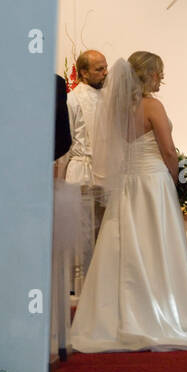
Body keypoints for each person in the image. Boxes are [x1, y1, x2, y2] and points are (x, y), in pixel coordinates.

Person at [69, 51, 187, 353]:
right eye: (159, 72)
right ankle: (161, 316)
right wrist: (180, 182)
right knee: (158, 248)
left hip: (127, 185)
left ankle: (119, 318)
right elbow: (169, 152)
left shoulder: (116, 109)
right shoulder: (152, 106)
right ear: (148, 75)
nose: (162, 78)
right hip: (153, 185)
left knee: (125, 250)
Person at [62, 50, 108, 278]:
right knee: (82, 232)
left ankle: (99, 282)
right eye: (99, 69)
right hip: (81, 169)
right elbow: (66, 139)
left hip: (105, 172)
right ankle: (79, 281)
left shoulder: (109, 97)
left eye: (105, 67)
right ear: (83, 72)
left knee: (103, 231)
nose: (105, 73)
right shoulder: (72, 98)